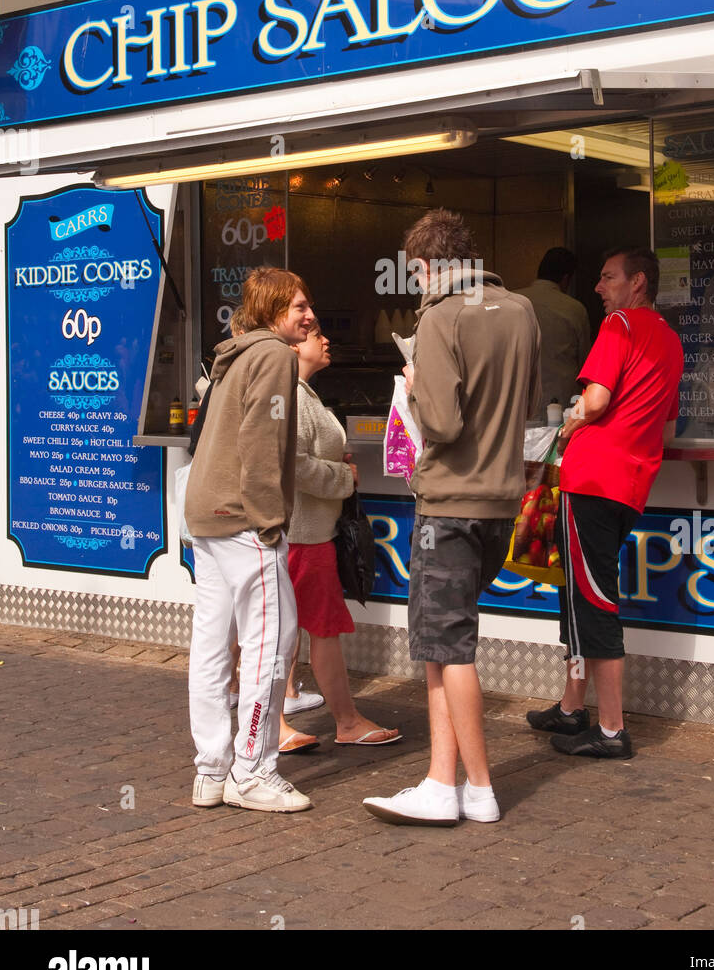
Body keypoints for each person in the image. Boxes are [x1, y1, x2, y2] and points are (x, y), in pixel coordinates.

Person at [363, 209, 541, 826]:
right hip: (501, 500)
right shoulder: (520, 310)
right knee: (441, 646)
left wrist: (414, 383)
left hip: (448, 504)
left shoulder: (440, 317)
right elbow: (533, 406)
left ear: (427, 265)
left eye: (415, 274)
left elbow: (441, 424)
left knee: (452, 647)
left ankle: (481, 790)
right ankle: (441, 782)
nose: (415, 285)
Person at [526, 246, 683, 760]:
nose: (598, 286)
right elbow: (669, 424)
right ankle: (573, 709)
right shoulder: (671, 339)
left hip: (593, 478)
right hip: (631, 484)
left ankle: (613, 730)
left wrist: (572, 420)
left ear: (638, 282)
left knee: (592, 601)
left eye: (607, 276)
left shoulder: (619, 325)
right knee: (578, 596)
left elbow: (594, 400)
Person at [185, 267, 315, 813]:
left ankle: (212, 771)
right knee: (271, 644)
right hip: (243, 520)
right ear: (271, 311)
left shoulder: (232, 356)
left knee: (213, 644)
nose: (310, 316)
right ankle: (253, 771)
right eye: (299, 307)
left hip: (207, 515)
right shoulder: (274, 356)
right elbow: (261, 439)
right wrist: (270, 521)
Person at [280, 321, 401, 750]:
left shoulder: (302, 393)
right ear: (294, 349)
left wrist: (336, 461)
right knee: (315, 630)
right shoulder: (293, 396)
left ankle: (277, 721)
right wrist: (344, 476)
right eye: (314, 335)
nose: (326, 338)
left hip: (308, 532)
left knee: (291, 630)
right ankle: (342, 722)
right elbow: (293, 466)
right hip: (304, 534)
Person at [517, 248, 590, 418]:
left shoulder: (512, 301)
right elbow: (585, 362)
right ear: (566, 278)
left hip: (519, 400)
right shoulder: (574, 308)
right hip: (561, 403)